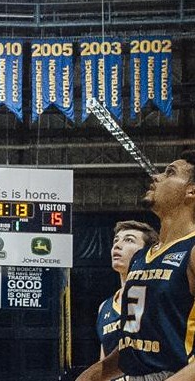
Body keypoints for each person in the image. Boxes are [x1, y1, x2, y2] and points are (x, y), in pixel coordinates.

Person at [76, 151, 195, 380]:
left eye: (170, 172)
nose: (156, 177)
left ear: (191, 191)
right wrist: (93, 375)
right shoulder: (141, 258)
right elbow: (133, 348)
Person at [95, 221, 158, 361]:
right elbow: (104, 363)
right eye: (115, 240)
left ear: (149, 252)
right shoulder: (104, 307)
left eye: (129, 240)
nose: (117, 245)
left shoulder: (159, 295)